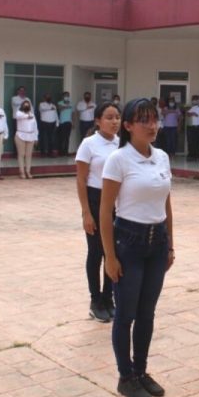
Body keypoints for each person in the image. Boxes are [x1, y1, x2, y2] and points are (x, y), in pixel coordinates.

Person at [100, 99, 174, 397]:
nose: (152, 125)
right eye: (144, 120)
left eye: (154, 119)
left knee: (147, 313)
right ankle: (125, 376)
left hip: (157, 242)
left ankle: (141, 371)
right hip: (128, 242)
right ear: (128, 126)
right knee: (126, 314)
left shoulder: (163, 157)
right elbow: (106, 211)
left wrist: (170, 243)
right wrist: (110, 257)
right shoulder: (118, 160)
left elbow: (167, 203)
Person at [75, 102, 121, 323]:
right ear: (97, 121)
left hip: (116, 203)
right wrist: (86, 212)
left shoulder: (122, 145)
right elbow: (81, 180)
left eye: (117, 117)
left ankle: (108, 297)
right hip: (95, 199)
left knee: (112, 252)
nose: (114, 122)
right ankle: (95, 300)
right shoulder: (89, 144)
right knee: (96, 252)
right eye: (109, 117)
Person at [14, 100, 38, 179]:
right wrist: (27, 116)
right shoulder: (19, 113)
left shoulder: (32, 115)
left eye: (28, 105)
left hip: (30, 136)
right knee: (21, 154)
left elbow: (35, 127)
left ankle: (28, 171)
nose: (26, 107)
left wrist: (36, 138)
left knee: (29, 155)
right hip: (20, 135)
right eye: (25, 105)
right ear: (22, 106)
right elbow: (18, 116)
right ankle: (22, 172)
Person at [186, 95, 199, 159]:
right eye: (198, 100)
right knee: (194, 142)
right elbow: (188, 113)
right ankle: (194, 156)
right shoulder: (194, 107)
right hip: (194, 127)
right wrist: (193, 113)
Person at [56, 92, 74, 156]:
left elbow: (72, 114)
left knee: (67, 138)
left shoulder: (71, 103)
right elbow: (60, 109)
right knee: (62, 138)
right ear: (63, 96)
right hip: (62, 122)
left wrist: (73, 122)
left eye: (68, 96)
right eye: (65, 96)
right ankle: (60, 152)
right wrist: (67, 106)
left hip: (69, 122)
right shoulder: (60, 103)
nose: (67, 97)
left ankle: (66, 152)